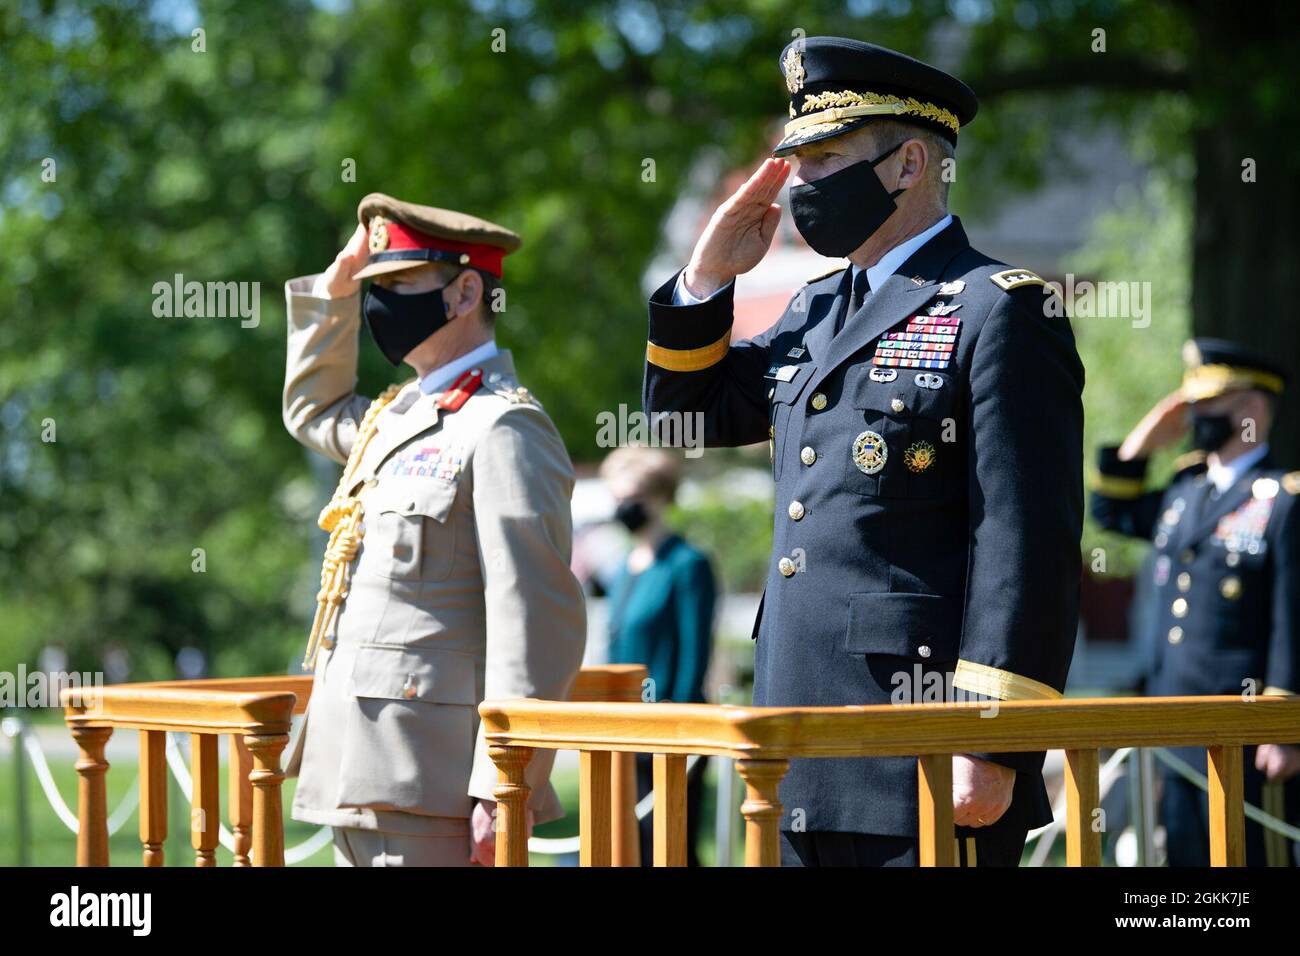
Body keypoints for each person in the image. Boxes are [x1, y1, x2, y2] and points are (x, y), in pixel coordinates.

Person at [641, 36, 1084, 867]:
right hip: (795, 742)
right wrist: (704, 282)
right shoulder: (812, 311)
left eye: (824, 161)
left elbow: (1026, 543)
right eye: (797, 164)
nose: (801, 187)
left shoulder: (1000, 310)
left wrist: (993, 742)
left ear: (910, 163)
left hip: (918, 753)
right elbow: (683, 420)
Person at [280, 193, 586, 866]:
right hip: (357, 773)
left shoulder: (504, 426)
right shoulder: (395, 417)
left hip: (437, 788)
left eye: (396, 286)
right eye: (372, 290)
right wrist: (332, 295)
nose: (377, 306)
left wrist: (504, 786)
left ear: (465, 291)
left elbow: (535, 620)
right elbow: (311, 406)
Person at [1091, 338, 1300, 866]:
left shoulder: (1283, 500)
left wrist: (1286, 726)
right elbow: (1111, 512)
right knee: (1184, 861)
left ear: (1251, 409)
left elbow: (1292, 619)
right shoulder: (1185, 489)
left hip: (1245, 727)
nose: (1193, 416)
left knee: (1252, 856)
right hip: (1172, 714)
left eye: (1207, 404)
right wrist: (1141, 443)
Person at [599, 446, 716, 865]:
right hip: (623, 731)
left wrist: (677, 723)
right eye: (617, 498)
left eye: (632, 497)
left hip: (669, 730)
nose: (623, 507)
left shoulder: (687, 565)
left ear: (661, 497)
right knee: (625, 847)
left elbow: (694, 652)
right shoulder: (622, 568)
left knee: (670, 847)